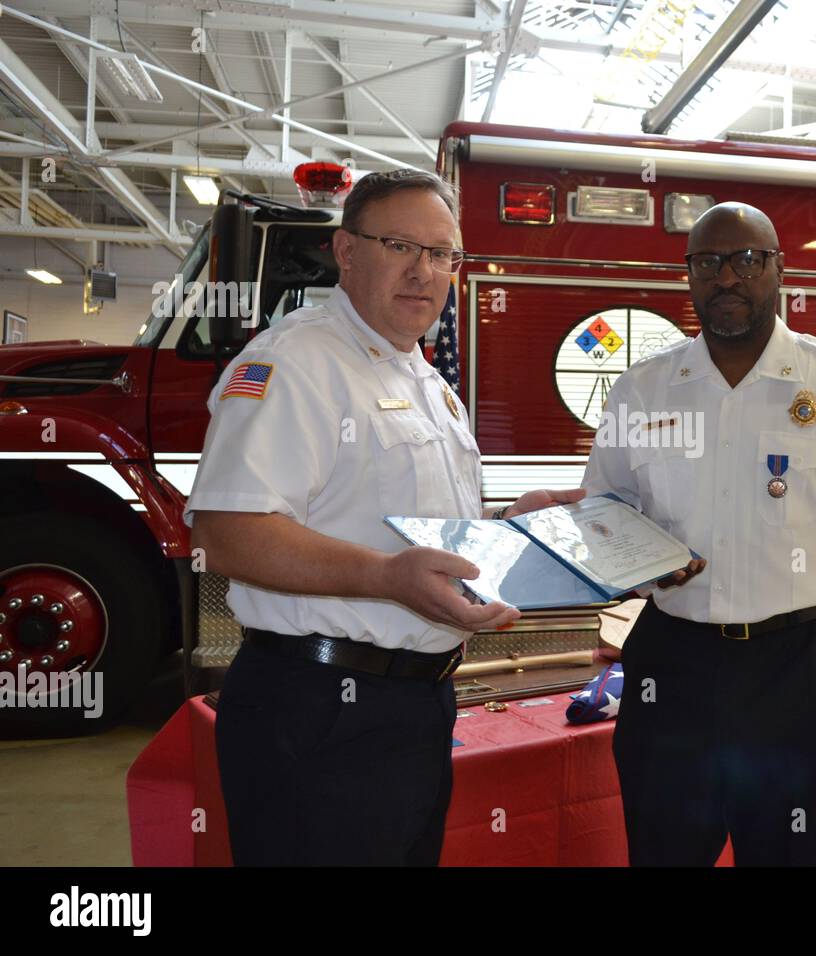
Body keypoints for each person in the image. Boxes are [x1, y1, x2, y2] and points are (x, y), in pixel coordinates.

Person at [186, 169, 582, 865]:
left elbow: (409, 522)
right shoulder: (297, 362)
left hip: (413, 706)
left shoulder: (424, 379)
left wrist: (511, 524)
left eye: (442, 255)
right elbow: (227, 535)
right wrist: (388, 579)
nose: (423, 272)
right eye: (400, 246)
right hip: (318, 711)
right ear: (346, 251)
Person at [582, 201, 816, 866]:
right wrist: (645, 566)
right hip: (672, 666)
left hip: (799, 669)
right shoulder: (641, 390)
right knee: (664, 854)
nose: (727, 277)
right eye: (708, 262)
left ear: (778, 270)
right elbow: (603, 509)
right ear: (689, 275)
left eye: (746, 260)